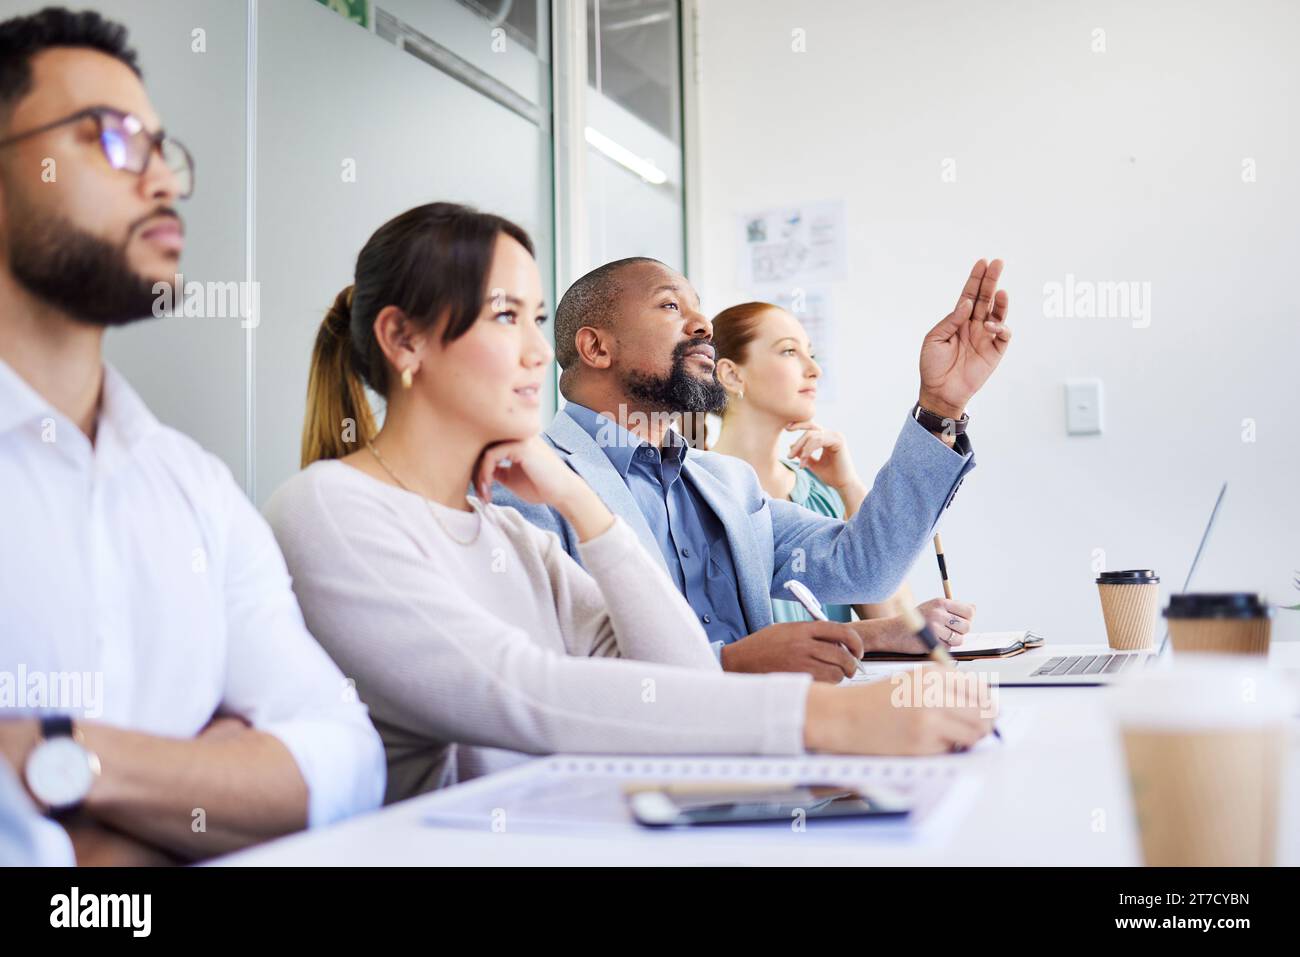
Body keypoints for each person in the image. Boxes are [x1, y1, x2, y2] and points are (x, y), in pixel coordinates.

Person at [264, 202, 995, 803]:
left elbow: (675, 675)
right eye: (505, 317)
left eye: (534, 317)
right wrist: (829, 717)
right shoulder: (331, 507)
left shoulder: (523, 521)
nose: (535, 352)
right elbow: (533, 692)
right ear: (403, 340)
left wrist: (938, 407)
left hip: (645, 800)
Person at [0, 7, 385, 864]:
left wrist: (61, 763)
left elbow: (347, 762)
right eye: (107, 140)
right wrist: (197, 786)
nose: (164, 182)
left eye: (161, 148)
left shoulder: (192, 487)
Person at [490, 256, 1011, 681]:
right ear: (597, 347)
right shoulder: (527, 484)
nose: (703, 326)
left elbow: (864, 567)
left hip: (772, 760)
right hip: (633, 784)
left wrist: (938, 407)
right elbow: (546, 677)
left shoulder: (728, 484)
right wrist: (731, 663)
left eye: (699, 310)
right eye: (671, 305)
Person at [708, 300, 975, 645]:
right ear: (731, 374)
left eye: (811, 354)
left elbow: (896, 624)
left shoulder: (822, 488)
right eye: (789, 351)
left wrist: (848, 487)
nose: (814, 370)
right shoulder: (695, 493)